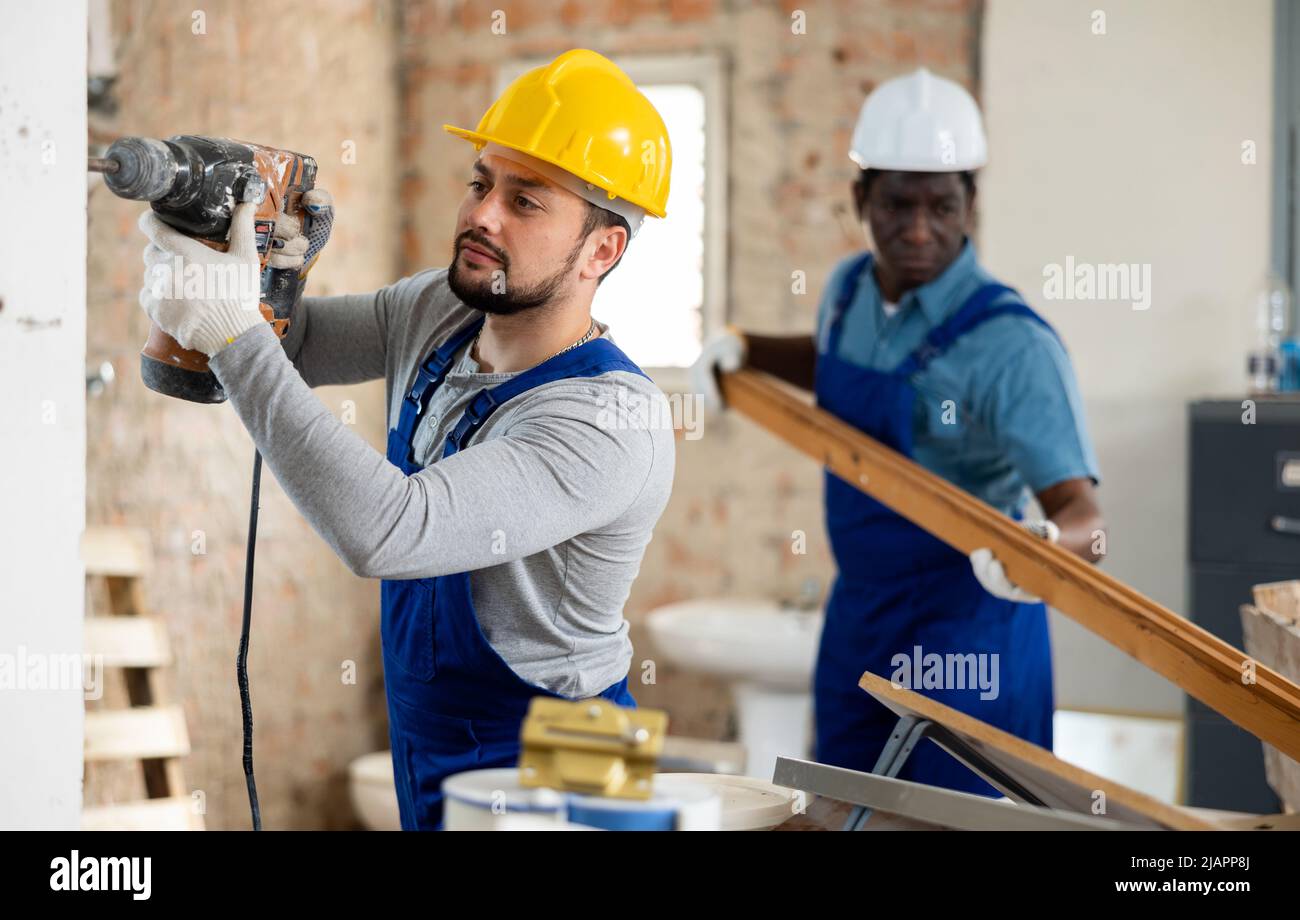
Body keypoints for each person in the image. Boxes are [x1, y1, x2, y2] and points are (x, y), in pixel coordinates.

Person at [137, 49, 676, 829]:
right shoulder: (442, 311)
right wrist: (251, 269)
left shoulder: (609, 424)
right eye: (481, 182)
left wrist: (233, 329)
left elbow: (391, 531)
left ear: (602, 250)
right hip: (433, 731)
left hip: (573, 753)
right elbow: (294, 344)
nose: (482, 215)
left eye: (526, 202)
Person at [691, 68, 1104, 796]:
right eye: (897, 205)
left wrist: (1042, 548)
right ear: (860, 199)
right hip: (860, 622)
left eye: (941, 206)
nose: (918, 230)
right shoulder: (848, 292)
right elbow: (838, 365)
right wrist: (745, 346)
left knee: (959, 820)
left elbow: (1087, 522)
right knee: (840, 807)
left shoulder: (1013, 347)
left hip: (968, 637)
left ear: (970, 204)